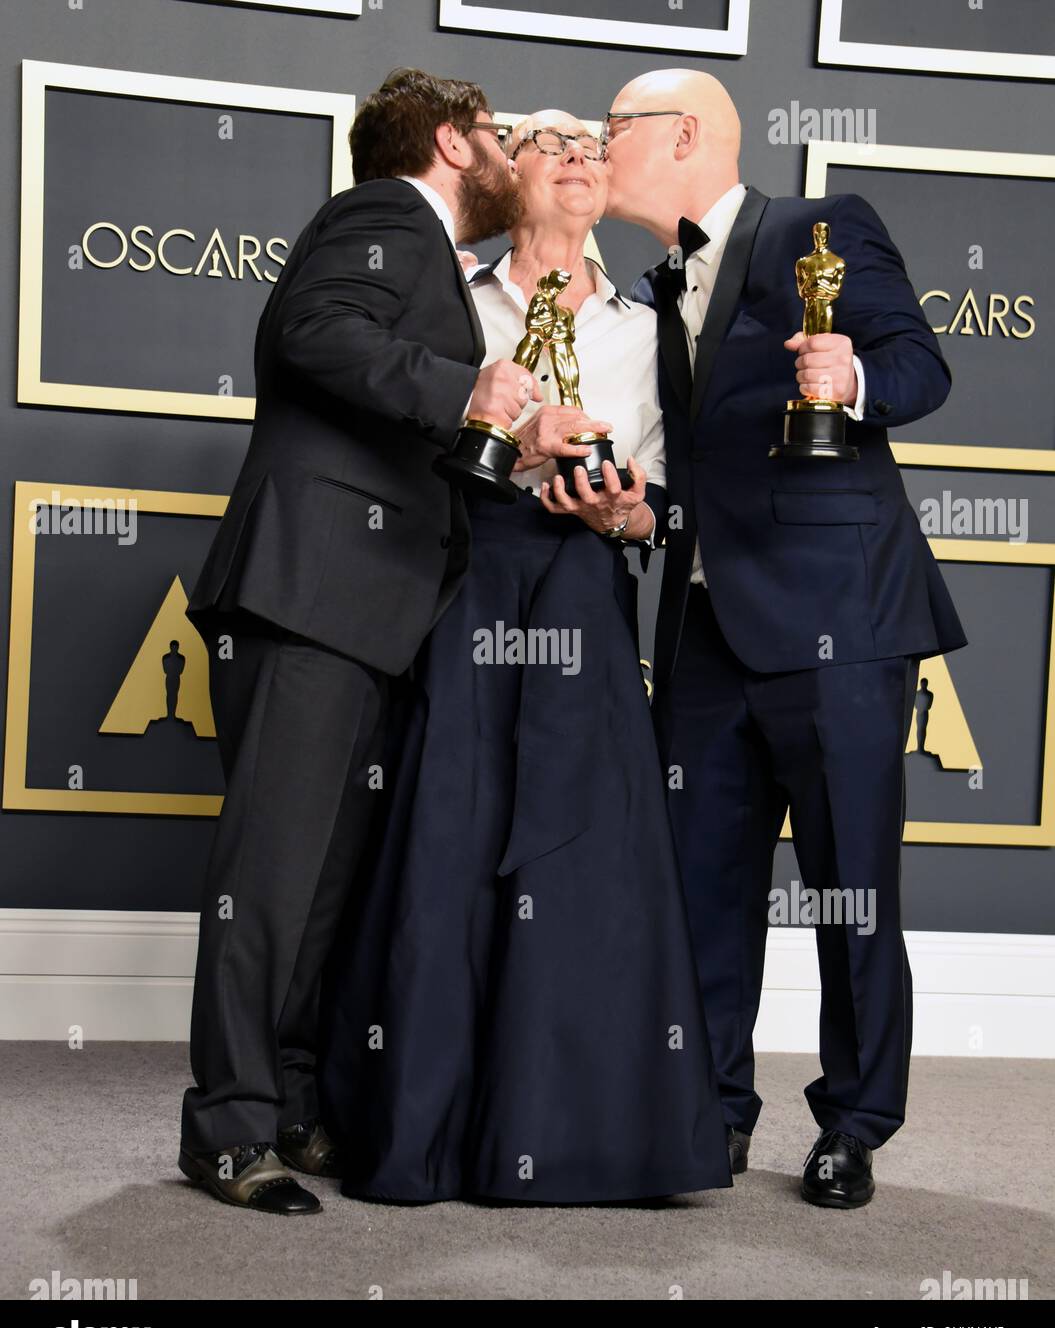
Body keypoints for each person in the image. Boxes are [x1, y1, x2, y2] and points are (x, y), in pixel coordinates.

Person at [319, 111, 732, 1205]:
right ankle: (418, 1129)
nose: (578, 159)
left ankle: (575, 1128)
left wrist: (629, 519)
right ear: (507, 173)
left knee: (573, 845)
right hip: (462, 573)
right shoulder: (452, 297)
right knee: (445, 829)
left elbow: (667, 504)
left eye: (592, 148)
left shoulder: (652, 331)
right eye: (548, 144)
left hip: (583, 584)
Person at [178, 69, 541, 1215]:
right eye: (497, 136)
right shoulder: (383, 214)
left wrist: (519, 447)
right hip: (309, 594)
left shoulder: (429, 255)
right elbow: (315, 332)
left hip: (365, 609)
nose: (510, 158)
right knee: (271, 880)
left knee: (321, 885)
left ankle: (287, 1102)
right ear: (448, 140)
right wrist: (470, 387)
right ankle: (226, 1133)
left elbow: (398, 414)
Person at [602, 69, 966, 1208]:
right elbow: (697, 473)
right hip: (707, 627)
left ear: (680, 136)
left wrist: (849, 373)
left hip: (841, 621)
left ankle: (852, 1123)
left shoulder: (821, 227)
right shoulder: (651, 286)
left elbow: (921, 367)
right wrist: (640, 513)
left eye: (611, 129)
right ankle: (708, 1116)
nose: (594, 147)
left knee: (849, 884)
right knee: (699, 886)